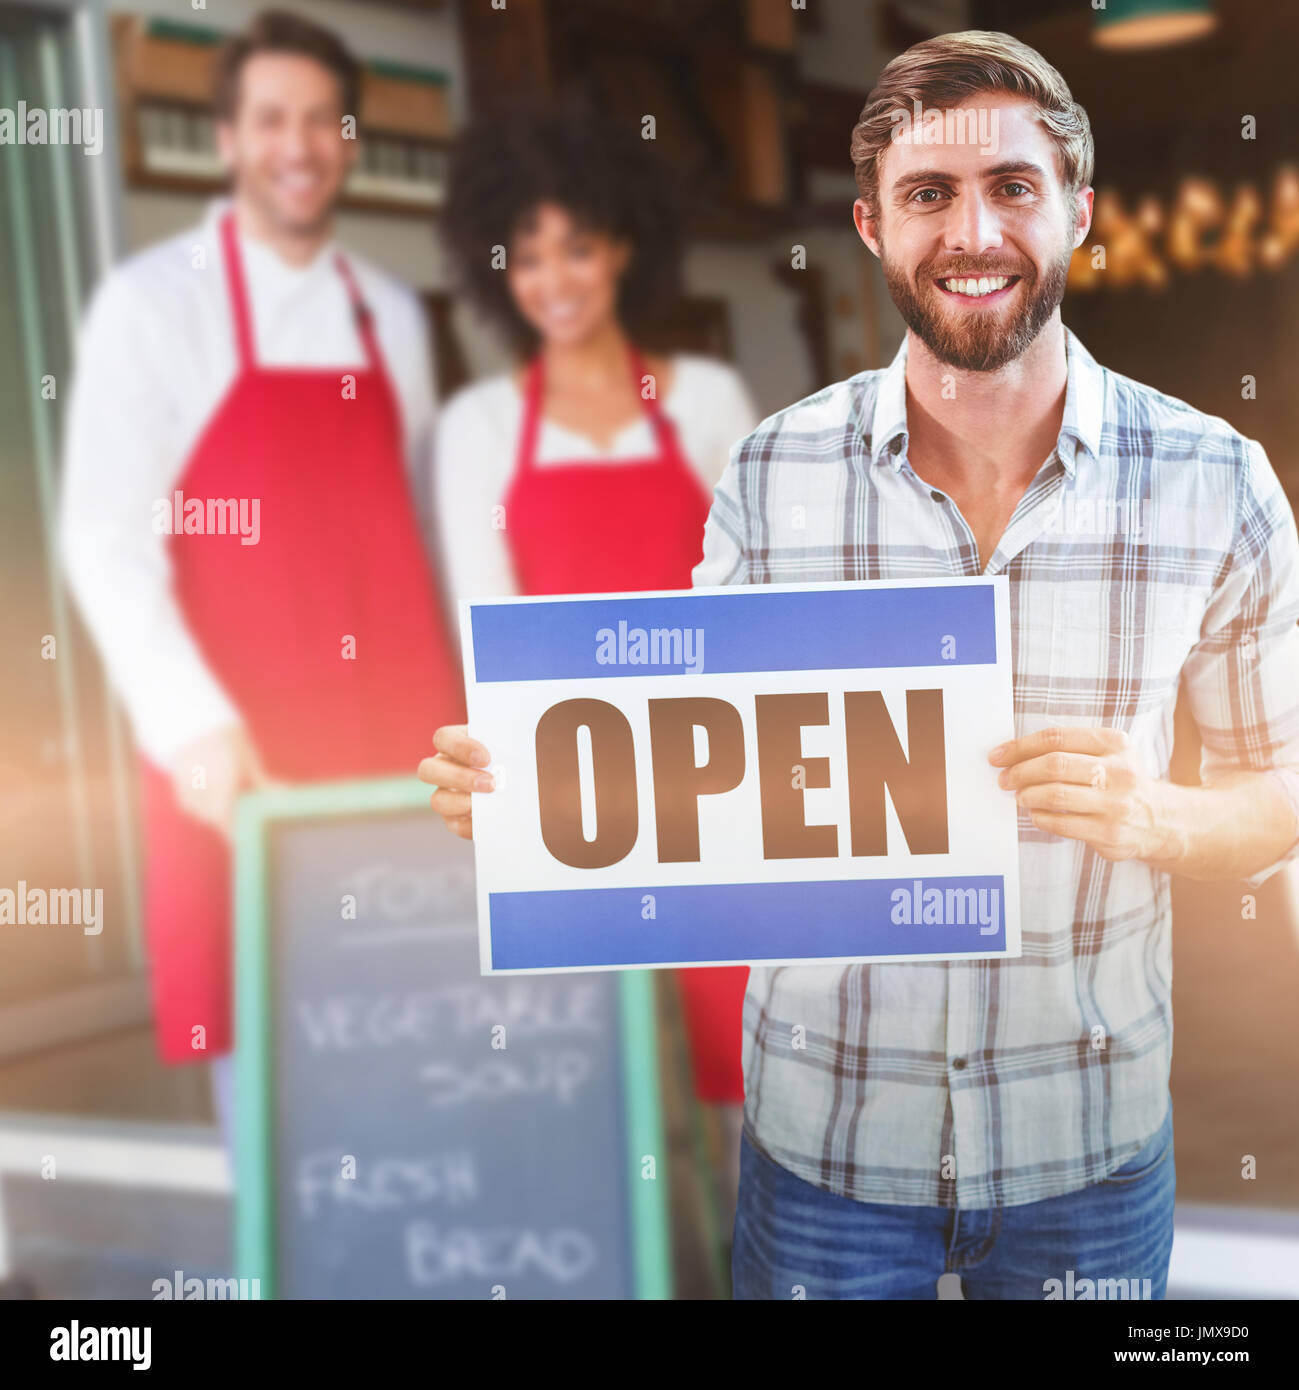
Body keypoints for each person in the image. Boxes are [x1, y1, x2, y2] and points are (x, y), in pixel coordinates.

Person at [420, 30, 1299, 1299]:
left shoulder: (1221, 481)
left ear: (1080, 213)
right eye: (930, 196)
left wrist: (1162, 816)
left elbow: (1285, 787)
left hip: (1089, 1150)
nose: (975, 232)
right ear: (874, 229)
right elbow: (693, 770)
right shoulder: (773, 471)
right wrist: (533, 795)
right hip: (826, 1145)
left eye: (1014, 187)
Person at [61, 11, 464, 1145]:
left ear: (347, 138)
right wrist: (191, 727)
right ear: (229, 139)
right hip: (239, 765)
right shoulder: (153, 305)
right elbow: (104, 537)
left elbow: (421, 536)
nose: (298, 145)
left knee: (422, 1053)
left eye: (320, 120)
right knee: (277, 1086)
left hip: (398, 751)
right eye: (268, 119)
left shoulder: (387, 316)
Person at [431, 103, 758, 1226]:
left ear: (623, 244)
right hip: (567, 808)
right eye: (527, 255)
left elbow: (759, 608)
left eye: (577, 245)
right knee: (602, 1092)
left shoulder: (708, 403)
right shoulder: (477, 428)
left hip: (718, 796)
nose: (555, 278)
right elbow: (491, 634)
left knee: (747, 1077)